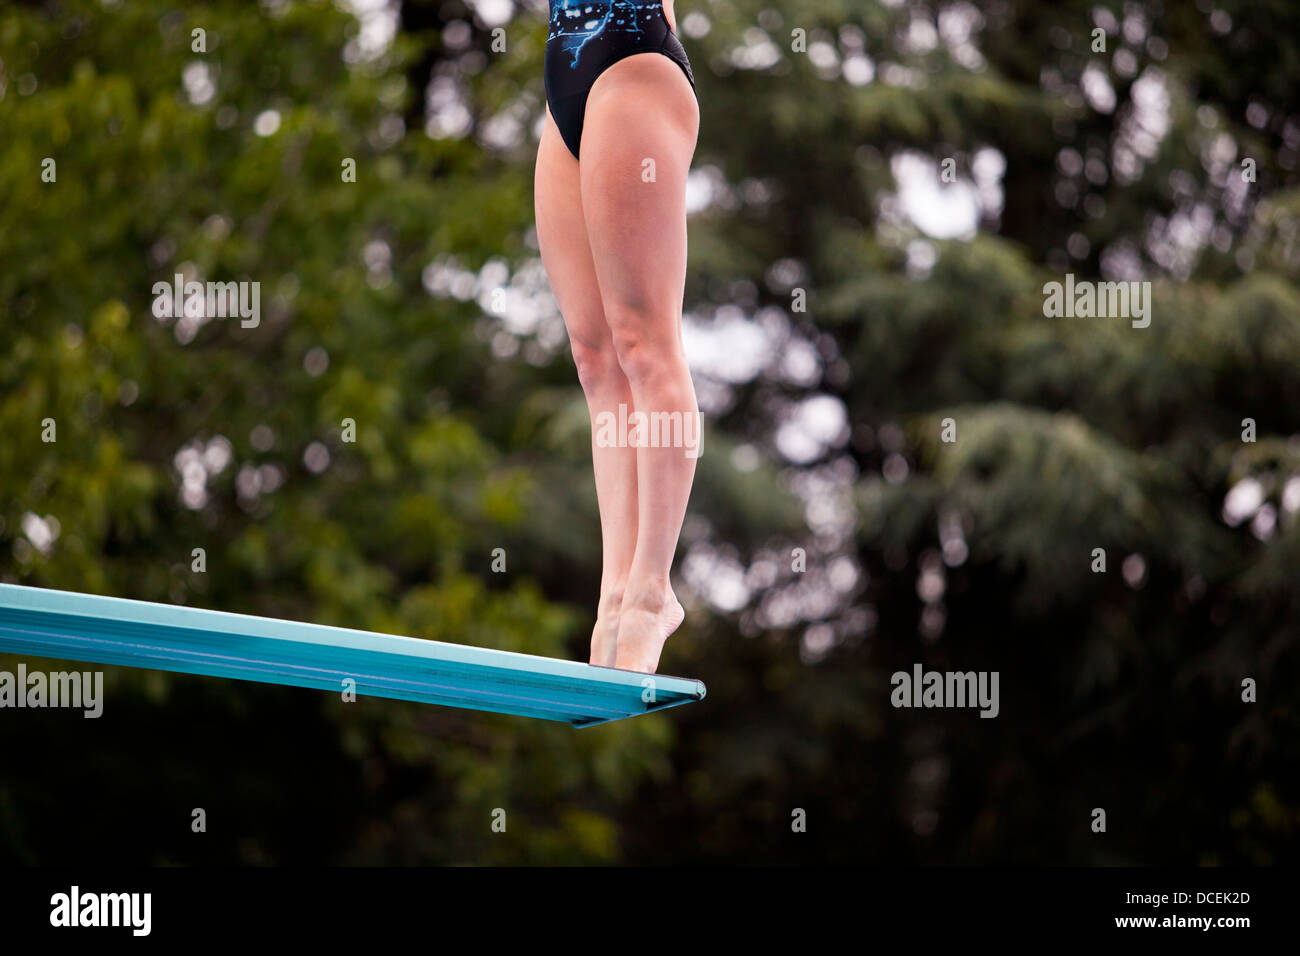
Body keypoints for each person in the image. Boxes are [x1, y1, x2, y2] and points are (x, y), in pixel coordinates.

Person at [534, 1, 700, 673]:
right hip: (563, 80)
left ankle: (654, 591)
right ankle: (615, 598)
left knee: (643, 343)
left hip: (632, 60)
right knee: (596, 360)